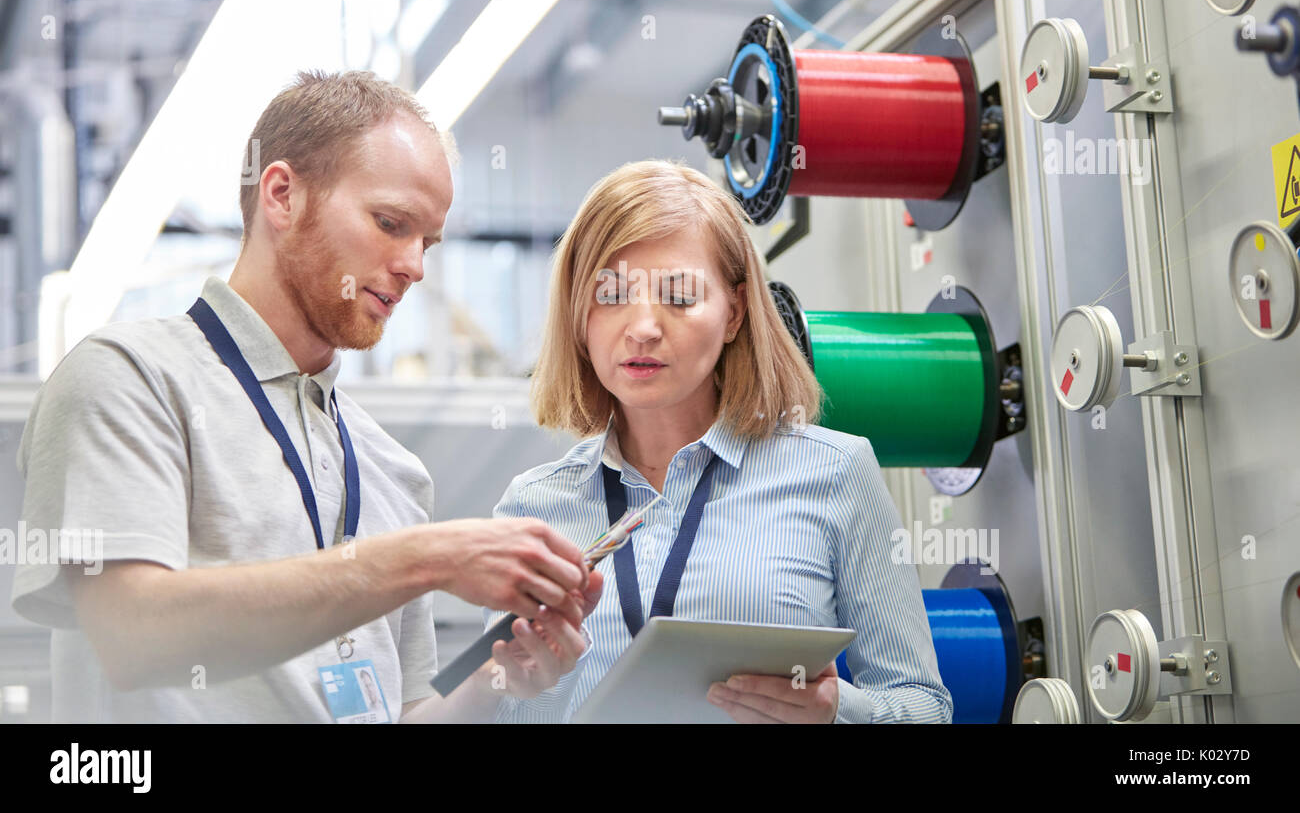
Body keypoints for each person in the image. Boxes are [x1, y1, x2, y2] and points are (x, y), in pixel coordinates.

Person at [11, 70, 602, 723]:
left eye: (427, 241)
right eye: (390, 222)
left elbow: (403, 714)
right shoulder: (127, 380)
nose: (415, 266)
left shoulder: (394, 472)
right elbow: (131, 635)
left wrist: (495, 677)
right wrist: (425, 559)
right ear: (283, 195)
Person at [485, 159, 951, 723]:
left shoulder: (834, 473)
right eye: (610, 294)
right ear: (578, 311)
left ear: (734, 311)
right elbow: (491, 707)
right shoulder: (532, 508)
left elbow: (927, 707)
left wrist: (837, 712)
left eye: (679, 296)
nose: (643, 327)